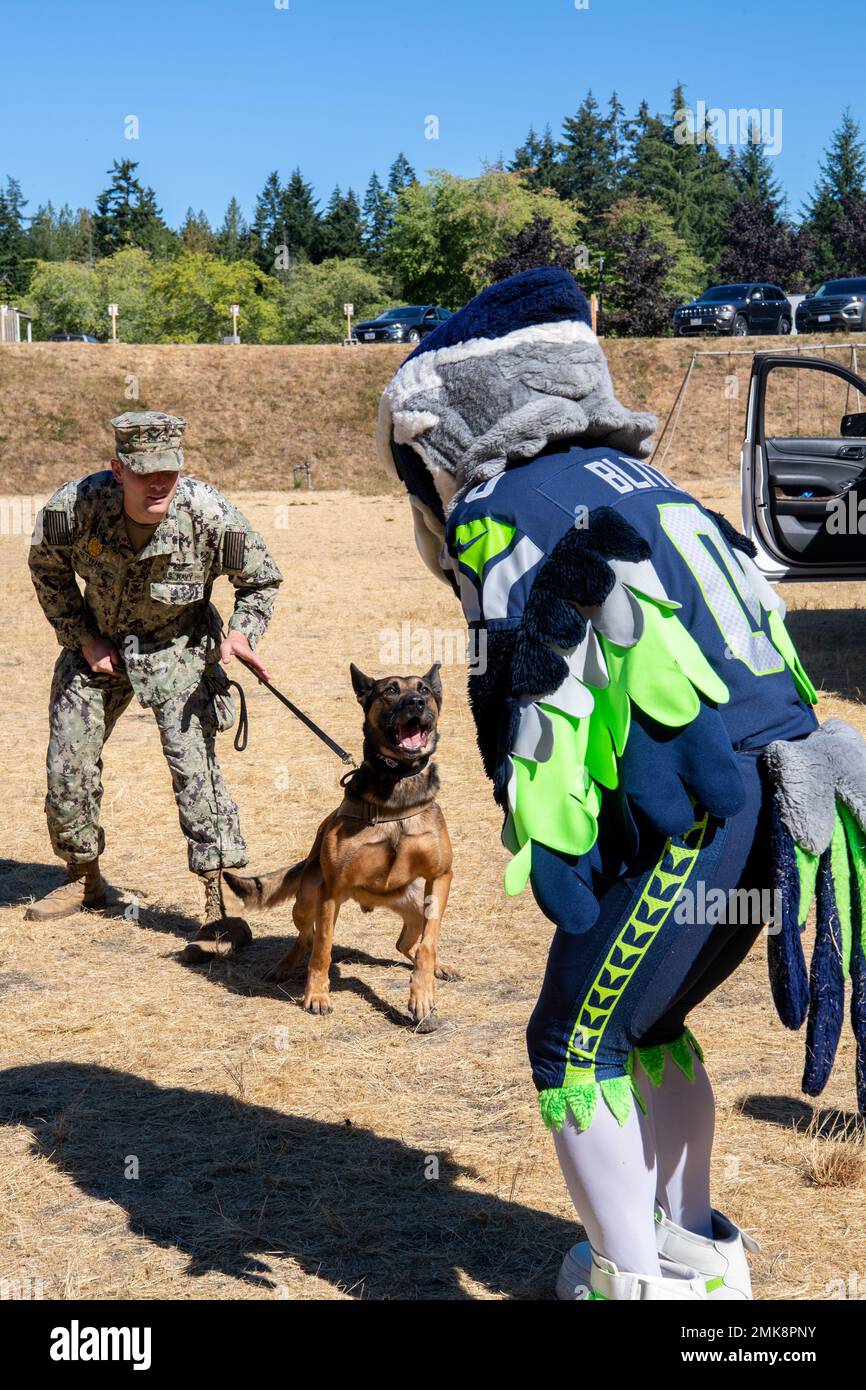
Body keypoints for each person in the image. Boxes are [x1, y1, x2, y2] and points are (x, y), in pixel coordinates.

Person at [376, 267, 866, 1301]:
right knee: (647, 1024)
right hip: (791, 786)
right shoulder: (642, 481)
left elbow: (525, 686)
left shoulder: (504, 504)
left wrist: (547, 809)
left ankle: (631, 1278)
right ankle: (693, 1244)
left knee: (568, 1041)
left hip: (694, 808)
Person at [26, 410, 282, 937]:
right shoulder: (73, 509)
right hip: (99, 648)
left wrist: (241, 633)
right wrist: (82, 637)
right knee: (67, 768)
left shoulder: (210, 515)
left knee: (197, 774)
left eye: (170, 469)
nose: (160, 482)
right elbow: (46, 568)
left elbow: (261, 580)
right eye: (145, 471)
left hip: (180, 649)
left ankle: (217, 902)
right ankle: (83, 877)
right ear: (118, 470)